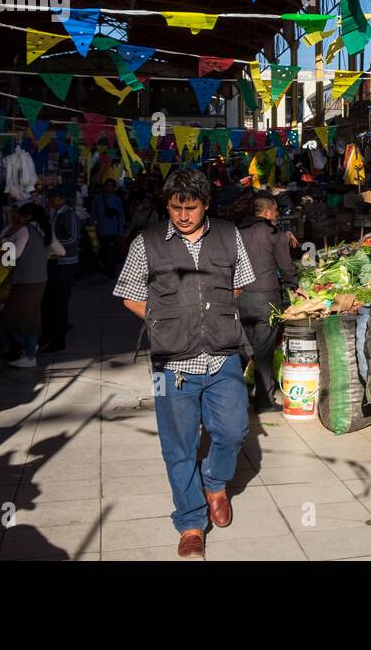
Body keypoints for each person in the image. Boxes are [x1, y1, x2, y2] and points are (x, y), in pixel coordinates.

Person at [114, 168, 255, 559]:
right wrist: (166, 324)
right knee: (177, 446)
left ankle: (215, 481)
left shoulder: (229, 235)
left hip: (224, 356)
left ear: (206, 205)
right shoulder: (148, 242)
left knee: (233, 431)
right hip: (170, 366)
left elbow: (239, 282)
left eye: (191, 208)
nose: (183, 215)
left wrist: (211, 316)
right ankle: (191, 523)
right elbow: (128, 293)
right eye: (176, 208)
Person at [236, 193, 298, 412]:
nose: (277, 214)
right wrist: (295, 284)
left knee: (242, 348)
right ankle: (264, 401)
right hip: (265, 299)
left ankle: (235, 399)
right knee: (263, 353)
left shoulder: (238, 233)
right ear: (266, 212)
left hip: (240, 298)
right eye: (275, 210)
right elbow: (286, 267)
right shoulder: (275, 235)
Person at [1, 202, 52, 369]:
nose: (18, 218)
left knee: (13, 318)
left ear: (28, 217)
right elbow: (61, 251)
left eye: (21, 216)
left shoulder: (25, 230)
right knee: (30, 318)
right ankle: (31, 348)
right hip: (40, 280)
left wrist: (4, 245)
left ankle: (30, 354)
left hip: (26, 281)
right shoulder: (44, 229)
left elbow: (14, 255)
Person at [41, 186, 80, 353]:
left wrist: (52, 248)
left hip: (66, 263)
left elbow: (72, 239)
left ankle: (59, 340)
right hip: (54, 263)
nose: (51, 200)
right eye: (50, 196)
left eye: (54, 196)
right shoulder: (54, 214)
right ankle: (51, 336)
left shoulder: (69, 215)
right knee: (52, 301)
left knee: (60, 302)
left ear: (63, 198)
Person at [91, 179, 126, 278]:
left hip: (112, 231)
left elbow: (121, 215)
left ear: (114, 187)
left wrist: (120, 231)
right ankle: (106, 271)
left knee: (110, 253)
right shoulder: (97, 199)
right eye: (107, 185)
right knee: (103, 252)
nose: (108, 187)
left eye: (111, 185)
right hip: (100, 230)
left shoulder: (116, 199)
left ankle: (109, 272)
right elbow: (94, 215)